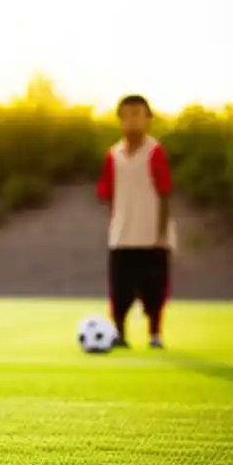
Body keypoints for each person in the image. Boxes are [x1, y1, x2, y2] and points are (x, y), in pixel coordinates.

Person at [97, 95, 174, 349]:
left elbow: (164, 192)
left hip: (151, 237)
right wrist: (116, 221)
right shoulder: (113, 154)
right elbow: (107, 193)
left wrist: (161, 233)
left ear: (148, 119)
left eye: (138, 114)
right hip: (122, 237)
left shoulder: (154, 152)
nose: (132, 120)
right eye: (127, 114)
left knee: (154, 290)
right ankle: (119, 333)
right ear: (121, 120)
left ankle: (155, 334)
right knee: (120, 290)